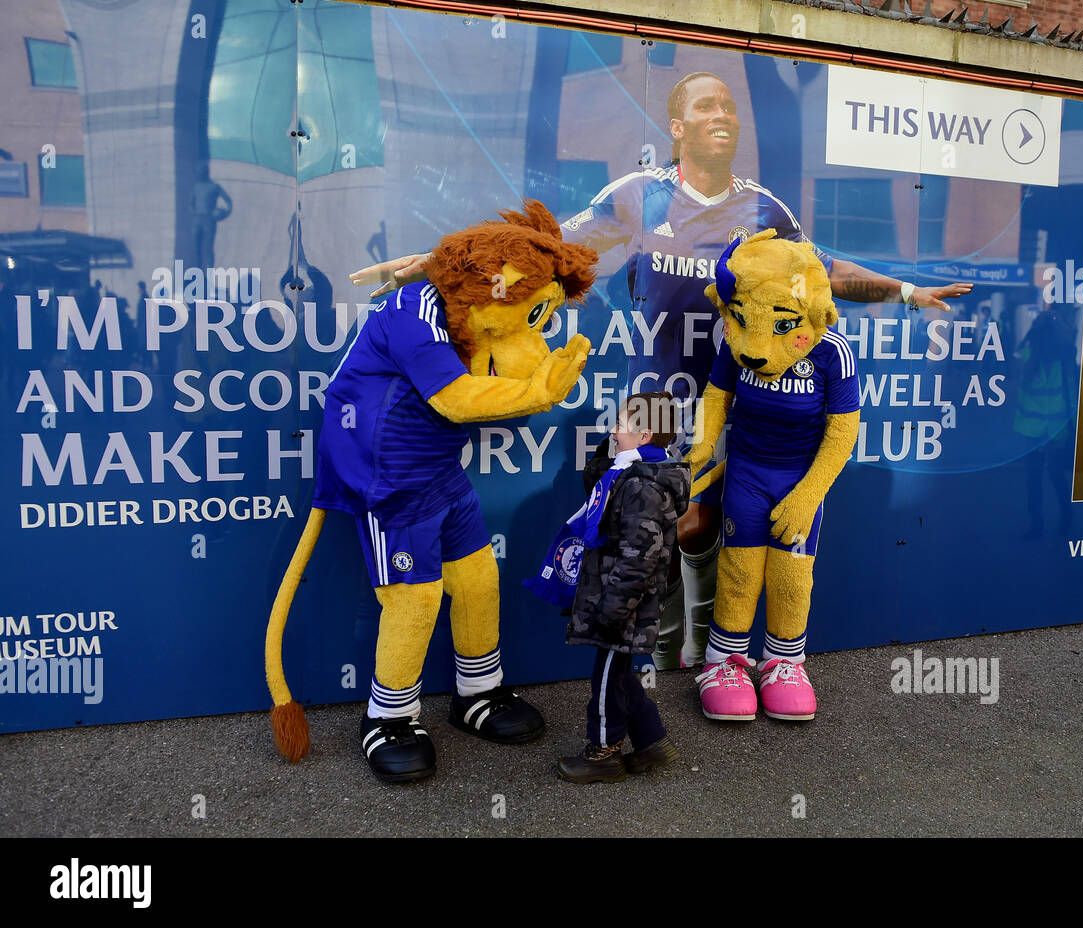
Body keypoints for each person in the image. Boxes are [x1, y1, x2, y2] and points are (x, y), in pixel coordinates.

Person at [351, 70, 973, 670]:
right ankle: (642, 657)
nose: (721, 116)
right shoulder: (639, 193)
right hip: (655, 392)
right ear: (677, 126)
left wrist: (905, 291)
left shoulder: (764, 209)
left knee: (723, 517)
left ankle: (709, 653)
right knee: (649, 521)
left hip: (742, 388)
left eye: (728, 106)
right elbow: (553, 253)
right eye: (706, 107)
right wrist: (442, 261)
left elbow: (822, 272)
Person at [557, 392, 690, 783]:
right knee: (619, 673)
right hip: (618, 597)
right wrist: (612, 448)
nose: (613, 431)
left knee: (606, 679)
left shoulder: (642, 488)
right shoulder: (626, 473)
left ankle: (604, 752)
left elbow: (639, 560)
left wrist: (613, 611)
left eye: (621, 426)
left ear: (645, 434)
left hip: (626, 604)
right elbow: (594, 482)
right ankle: (651, 742)